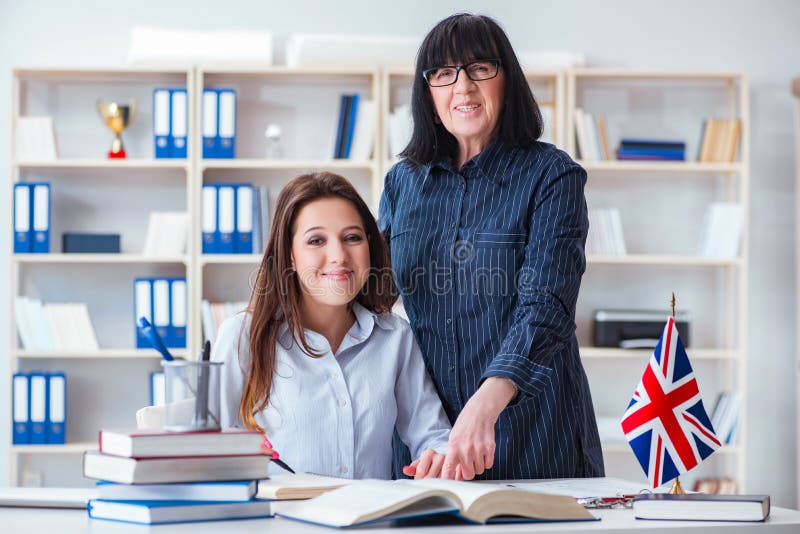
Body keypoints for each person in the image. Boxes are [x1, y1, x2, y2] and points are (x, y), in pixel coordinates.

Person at [379, 13, 604, 480]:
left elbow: (546, 307)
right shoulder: (402, 183)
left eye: (480, 67)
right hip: (432, 444)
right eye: (443, 73)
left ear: (508, 80)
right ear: (428, 94)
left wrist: (486, 405)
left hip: (537, 437)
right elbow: (370, 298)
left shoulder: (552, 176)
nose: (462, 87)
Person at [213, 172, 452, 479]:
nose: (339, 256)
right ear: (290, 256)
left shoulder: (395, 338)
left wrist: (437, 457)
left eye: (352, 237)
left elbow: (434, 436)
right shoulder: (243, 337)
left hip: (371, 524)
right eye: (316, 241)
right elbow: (209, 452)